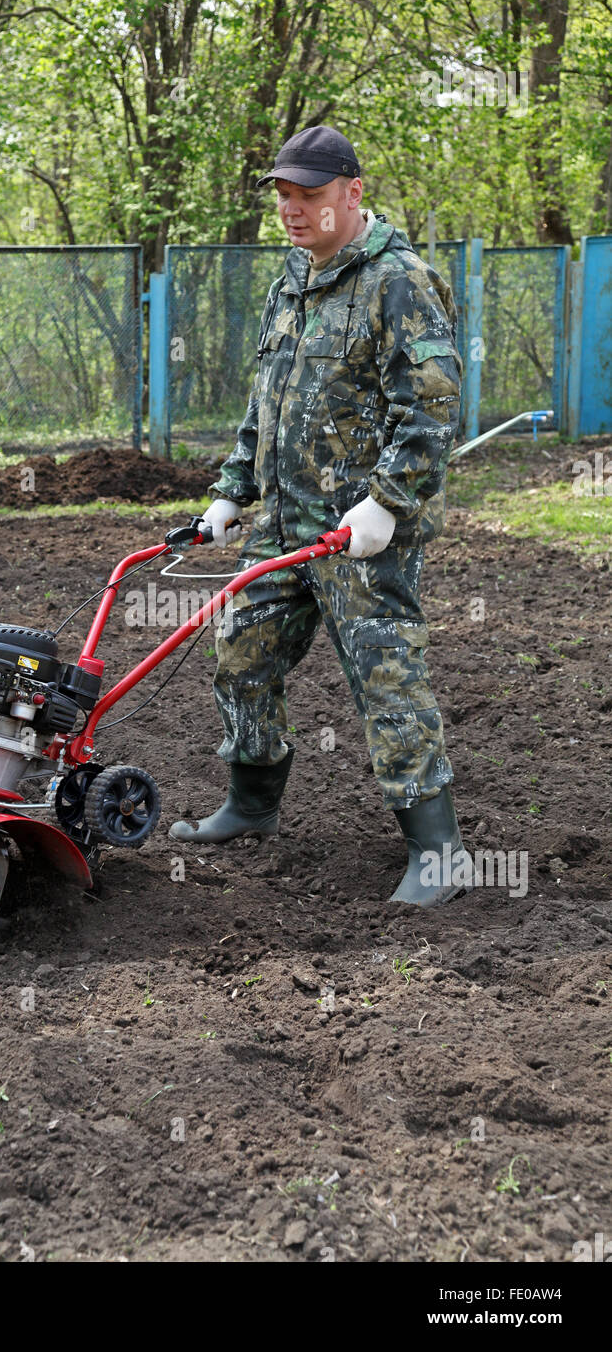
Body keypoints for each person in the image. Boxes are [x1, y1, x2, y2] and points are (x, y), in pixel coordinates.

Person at [169, 125, 473, 907]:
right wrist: (232, 491)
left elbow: (434, 410)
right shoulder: (293, 281)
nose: (292, 209)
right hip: (282, 527)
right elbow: (265, 402)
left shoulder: (400, 282)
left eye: (308, 194)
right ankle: (251, 806)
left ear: (353, 193)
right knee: (241, 653)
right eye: (283, 195)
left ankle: (439, 854)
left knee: (386, 680)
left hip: (360, 536)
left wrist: (388, 503)